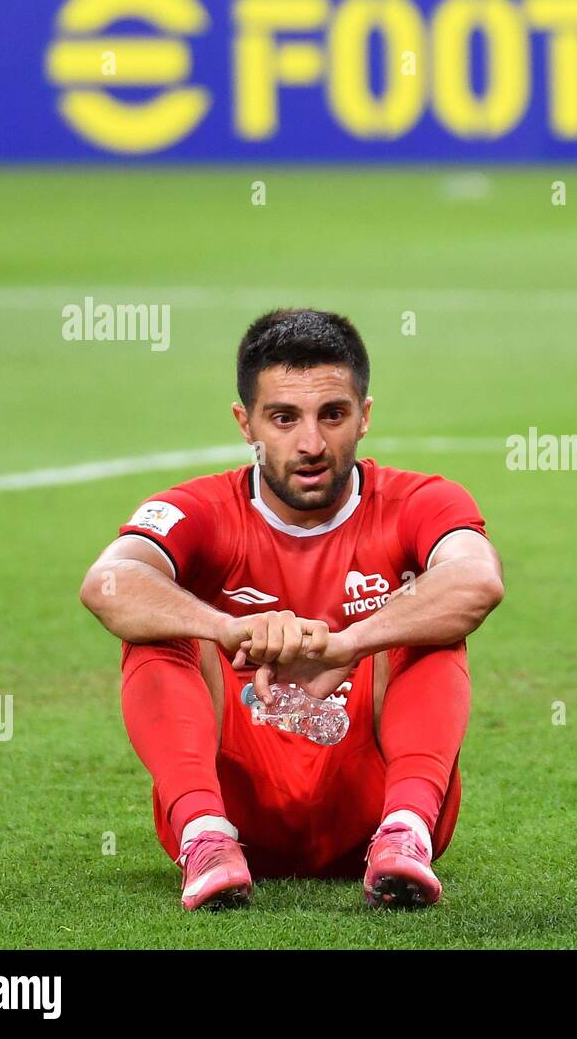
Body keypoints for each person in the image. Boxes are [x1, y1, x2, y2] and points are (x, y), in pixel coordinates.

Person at [81, 309, 504, 910]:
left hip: (369, 797)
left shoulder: (421, 499)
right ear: (245, 423)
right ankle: (204, 839)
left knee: (429, 623)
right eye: (283, 418)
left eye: (333, 414)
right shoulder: (201, 509)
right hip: (236, 805)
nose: (311, 443)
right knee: (157, 629)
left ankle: (405, 832)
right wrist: (228, 628)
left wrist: (349, 643)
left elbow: (477, 580)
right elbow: (108, 583)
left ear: (365, 417)